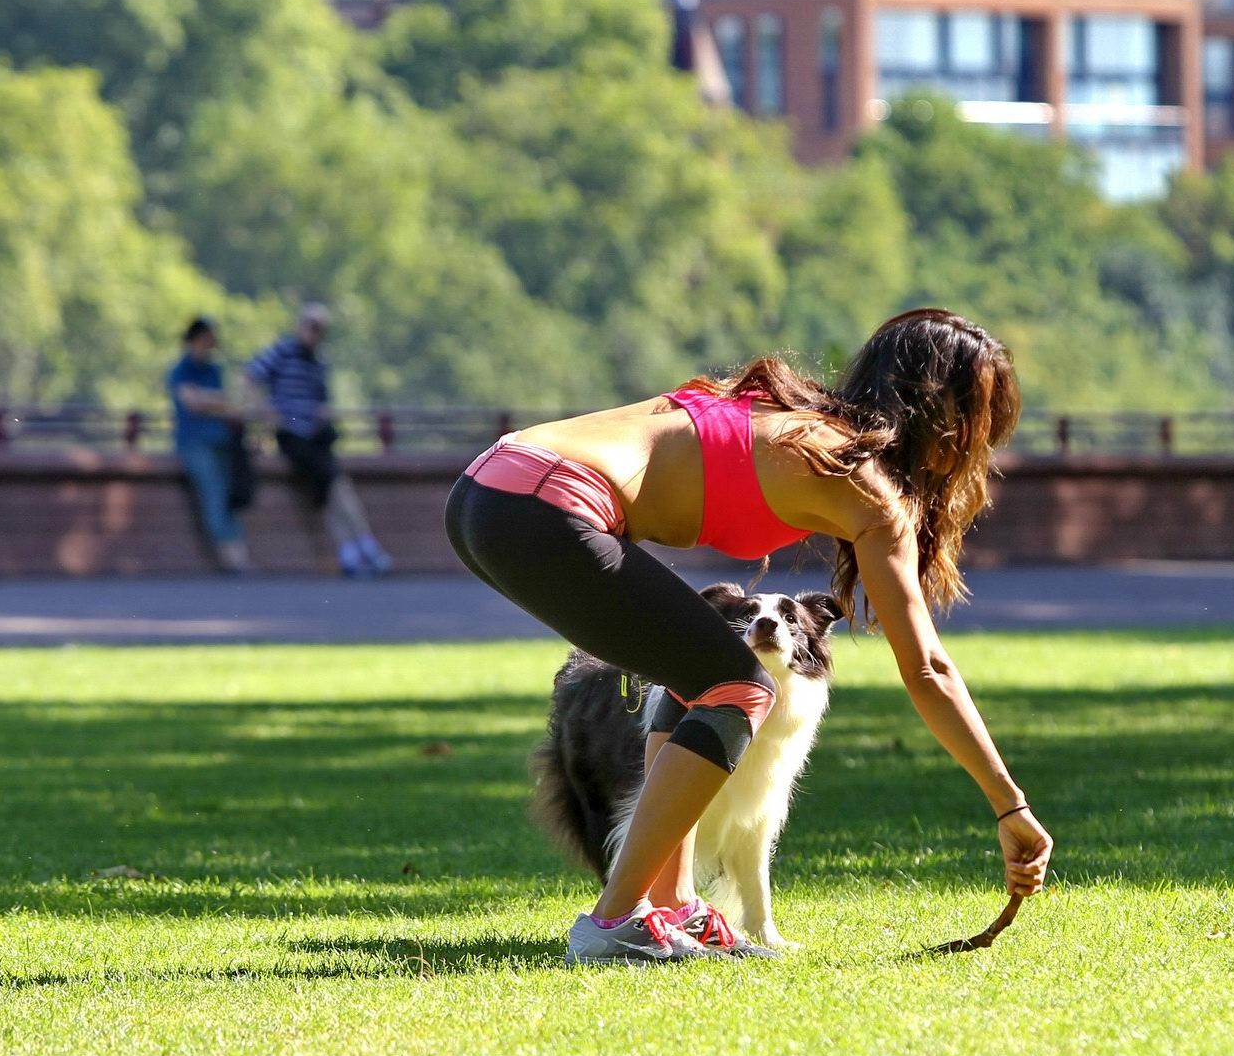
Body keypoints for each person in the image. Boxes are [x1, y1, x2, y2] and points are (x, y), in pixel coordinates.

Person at [446, 309, 1055, 965]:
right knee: (738, 685)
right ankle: (615, 920)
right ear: (951, 422)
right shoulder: (863, 483)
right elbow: (927, 670)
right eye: (983, 424)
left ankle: (673, 907)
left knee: (700, 674)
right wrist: (1008, 805)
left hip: (489, 488)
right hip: (540, 505)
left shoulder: (777, 407)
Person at [244, 303, 394, 578]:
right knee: (334, 484)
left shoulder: (318, 362)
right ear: (299, 326)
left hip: (313, 436)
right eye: (311, 326)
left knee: (329, 489)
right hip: (292, 435)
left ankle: (354, 551)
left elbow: (321, 401)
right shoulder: (282, 351)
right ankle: (362, 548)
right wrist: (266, 413)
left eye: (320, 329)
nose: (314, 333)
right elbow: (251, 375)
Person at [167, 316, 253, 574]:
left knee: (229, 494)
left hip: (221, 440)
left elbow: (229, 402)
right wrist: (213, 400)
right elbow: (192, 402)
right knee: (212, 490)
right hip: (194, 442)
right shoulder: (180, 369)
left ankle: (239, 555)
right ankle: (228, 556)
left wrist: (209, 400)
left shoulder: (215, 369)